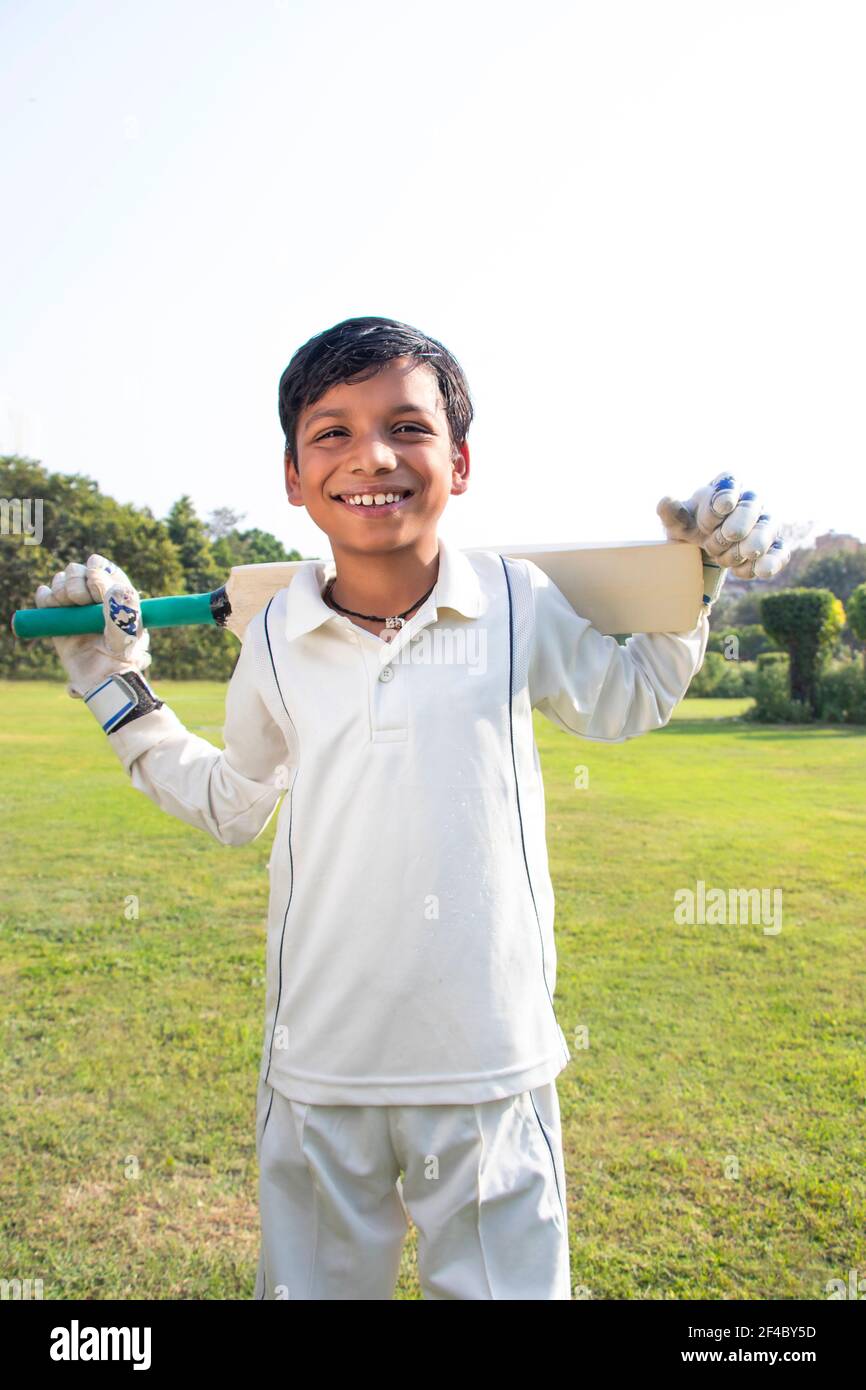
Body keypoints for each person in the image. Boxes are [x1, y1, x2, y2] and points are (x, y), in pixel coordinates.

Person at [35, 315, 790, 1300]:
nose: (372, 456)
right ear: (293, 477)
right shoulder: (271, 639)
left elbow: (626, 699)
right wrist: (114, 685)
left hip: (489, 1062)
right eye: (332, 433)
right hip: (318, 1069)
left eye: (408, 426)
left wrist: (699, 575)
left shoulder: (514, 599)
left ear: (461, 461)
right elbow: (232, 804)